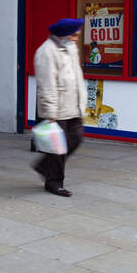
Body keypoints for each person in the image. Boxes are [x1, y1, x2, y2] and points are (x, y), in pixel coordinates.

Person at [33, 17, 88, 197]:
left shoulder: (71, 48)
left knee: (76, 138)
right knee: (59, 148)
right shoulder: (46, 52)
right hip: (57, 109)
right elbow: (46, 84)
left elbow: (76, 77)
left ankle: (43, 166)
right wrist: (50, 112)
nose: (76, 39)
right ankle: (54, 183)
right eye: (74, 35)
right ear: (63, 35)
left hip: (72, 105)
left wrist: (82, 102)